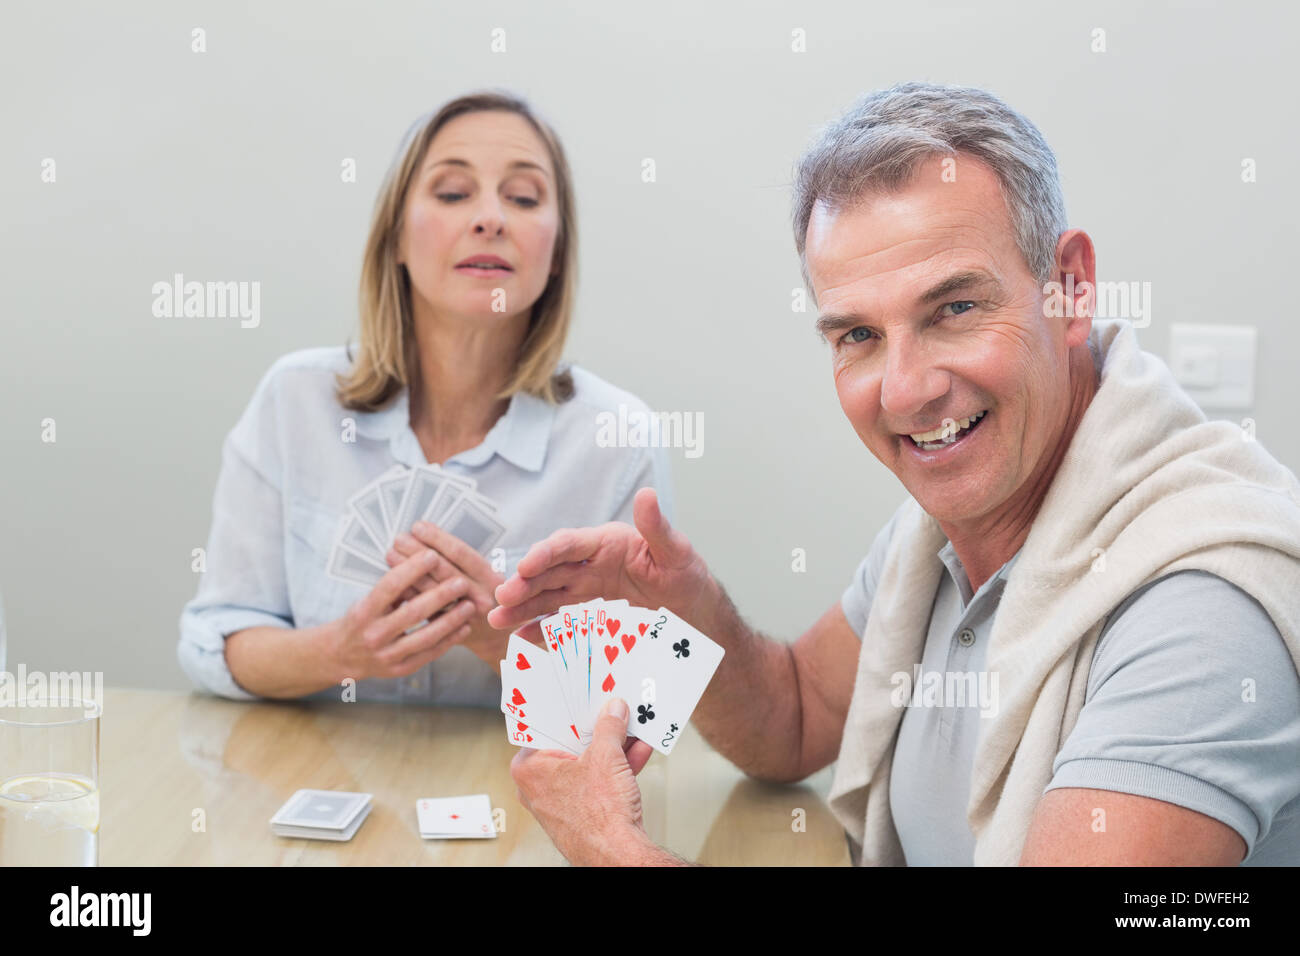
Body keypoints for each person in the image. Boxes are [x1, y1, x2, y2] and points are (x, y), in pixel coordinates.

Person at [492, 81, 1300, 866]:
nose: (908, 390)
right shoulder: (944, 531)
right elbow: (798, 717)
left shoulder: (1197, 615)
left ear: (1071, 289)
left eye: (955, 309)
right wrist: (685, 607)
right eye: (858, 337)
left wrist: (609, 850)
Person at [178, 90, 673, 707]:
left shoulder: (616, 438)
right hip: (311, 784)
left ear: (555, 256)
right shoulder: (293, 400)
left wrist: (500, 637)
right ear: (397, 240)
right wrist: (341, 651)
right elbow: (212, 640)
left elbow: (639, 707)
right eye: (452, 193)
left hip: (521, 798)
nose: (490, 218)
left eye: (523, 198)